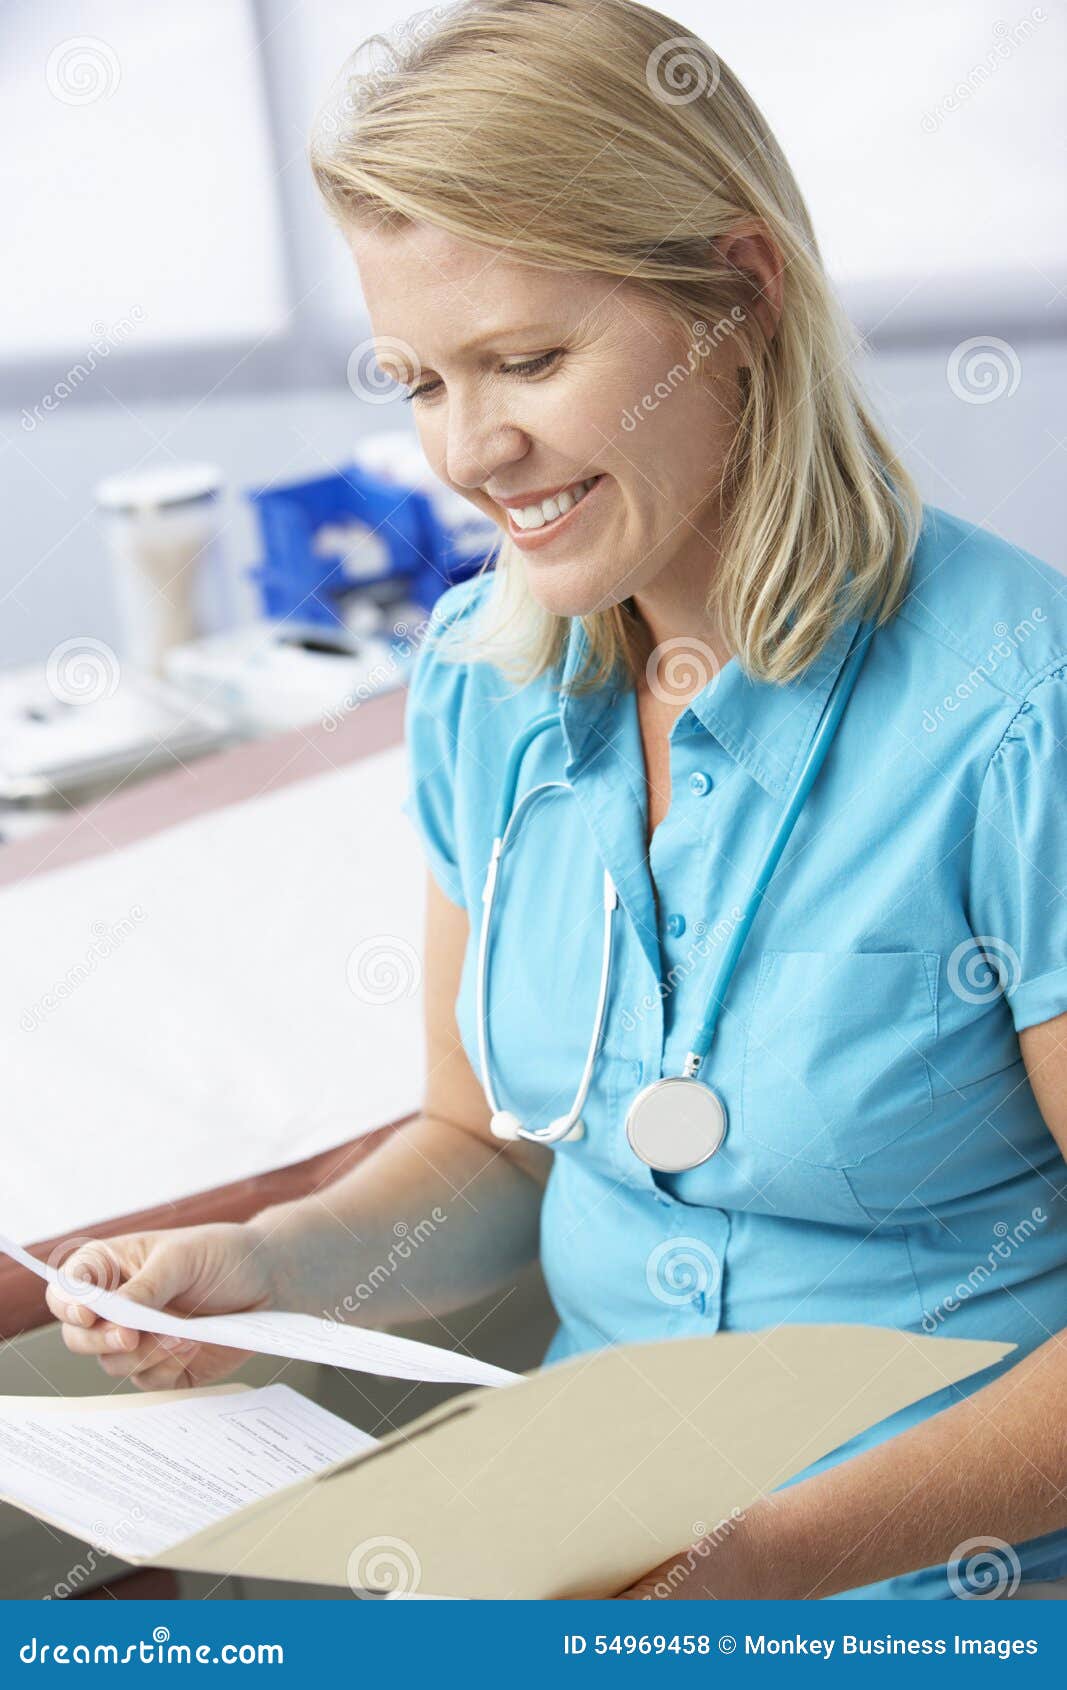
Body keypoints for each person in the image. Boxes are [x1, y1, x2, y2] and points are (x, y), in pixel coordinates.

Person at [47, 0, 1067, 1601]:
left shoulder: (1018, 714)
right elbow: (491, 1149)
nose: (471, 448)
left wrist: (773, 1558)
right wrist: (271, 1257)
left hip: (935, 1587)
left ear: (741, 295)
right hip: (585, 1555)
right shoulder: (486, 678)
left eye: (526, 361)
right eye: (419, 380)